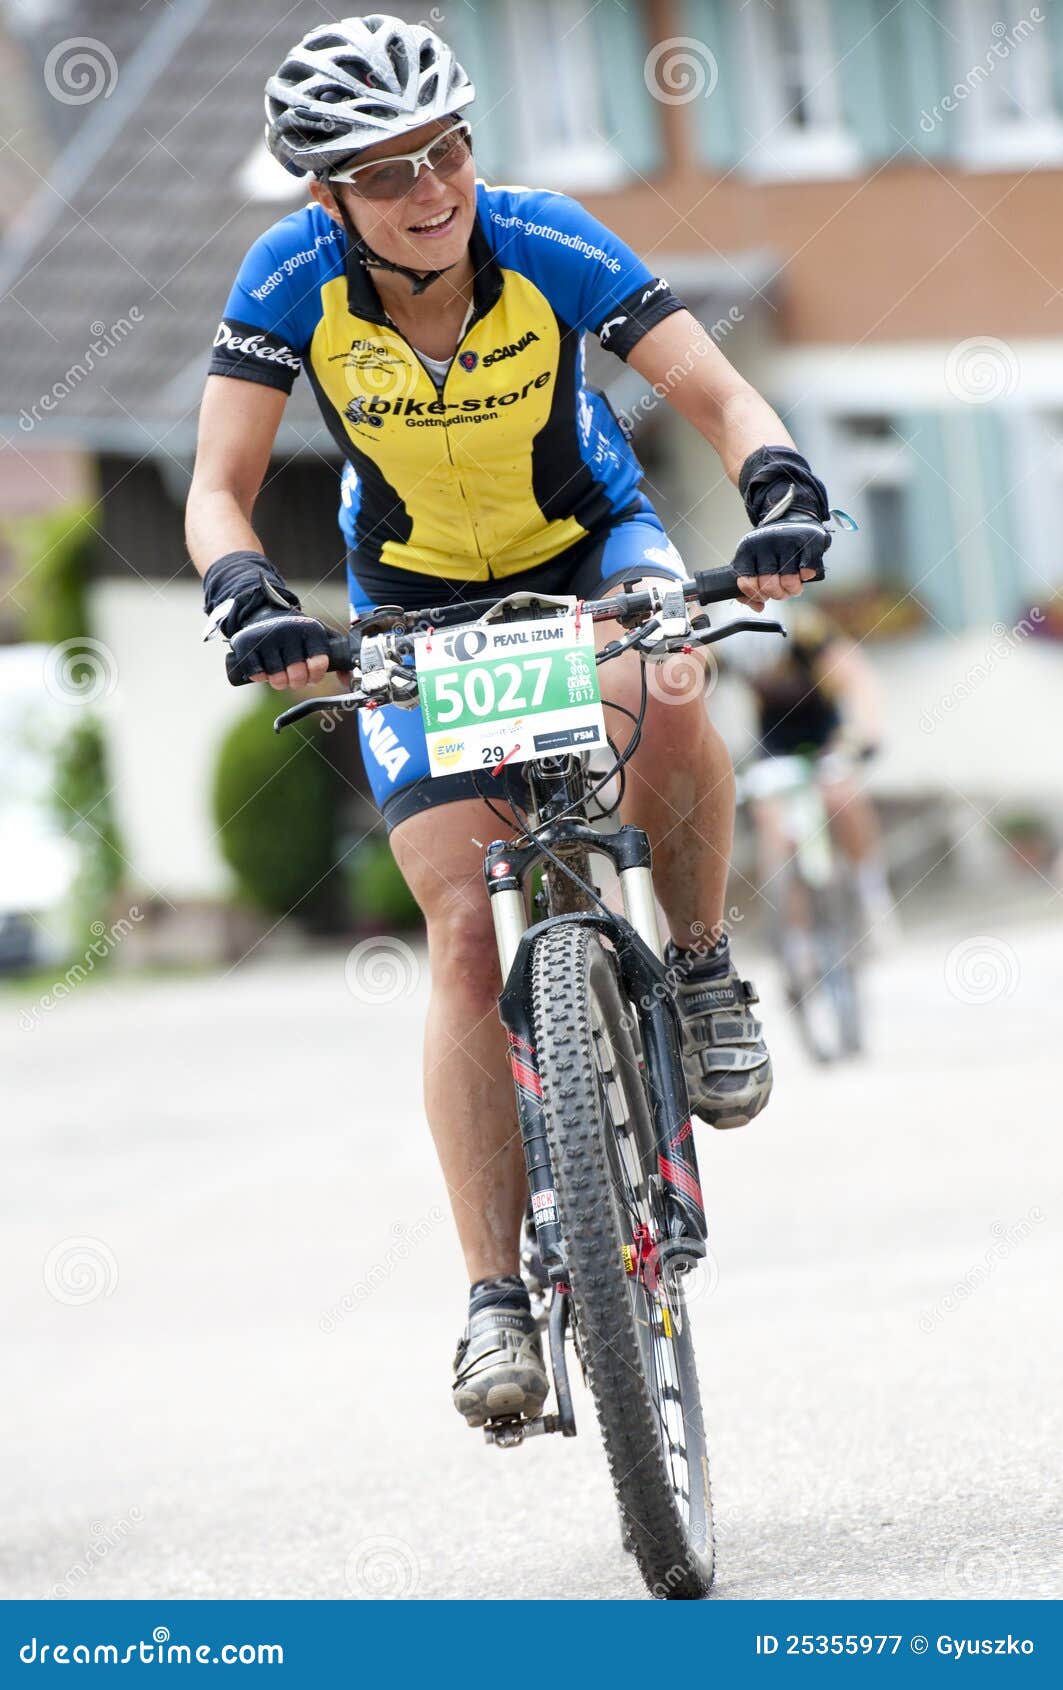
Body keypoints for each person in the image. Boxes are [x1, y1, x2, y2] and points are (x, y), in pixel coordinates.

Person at [185, 14, 833, 1430]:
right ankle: (491, 1295)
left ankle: (708, 970)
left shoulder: (543, 236)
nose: (433, 187)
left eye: (448, 149)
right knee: (466, 933)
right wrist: (249, 594)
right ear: (327, 201)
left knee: (669, 679)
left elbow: (713, 392)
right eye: (389, 171)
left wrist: (776, 481)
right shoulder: (286, 280)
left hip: (590, 550)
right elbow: (219, 486)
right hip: (409, 600)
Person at [732, 600, 896, 960]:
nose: (769, 679)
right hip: (775, 745)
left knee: (843, 797)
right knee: (773, 825)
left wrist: (863, 736)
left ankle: (870, 889)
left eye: (773, 669)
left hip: (827, 733)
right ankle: (795, 938)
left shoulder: (808, 633)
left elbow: (858, 680)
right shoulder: (724, 647)